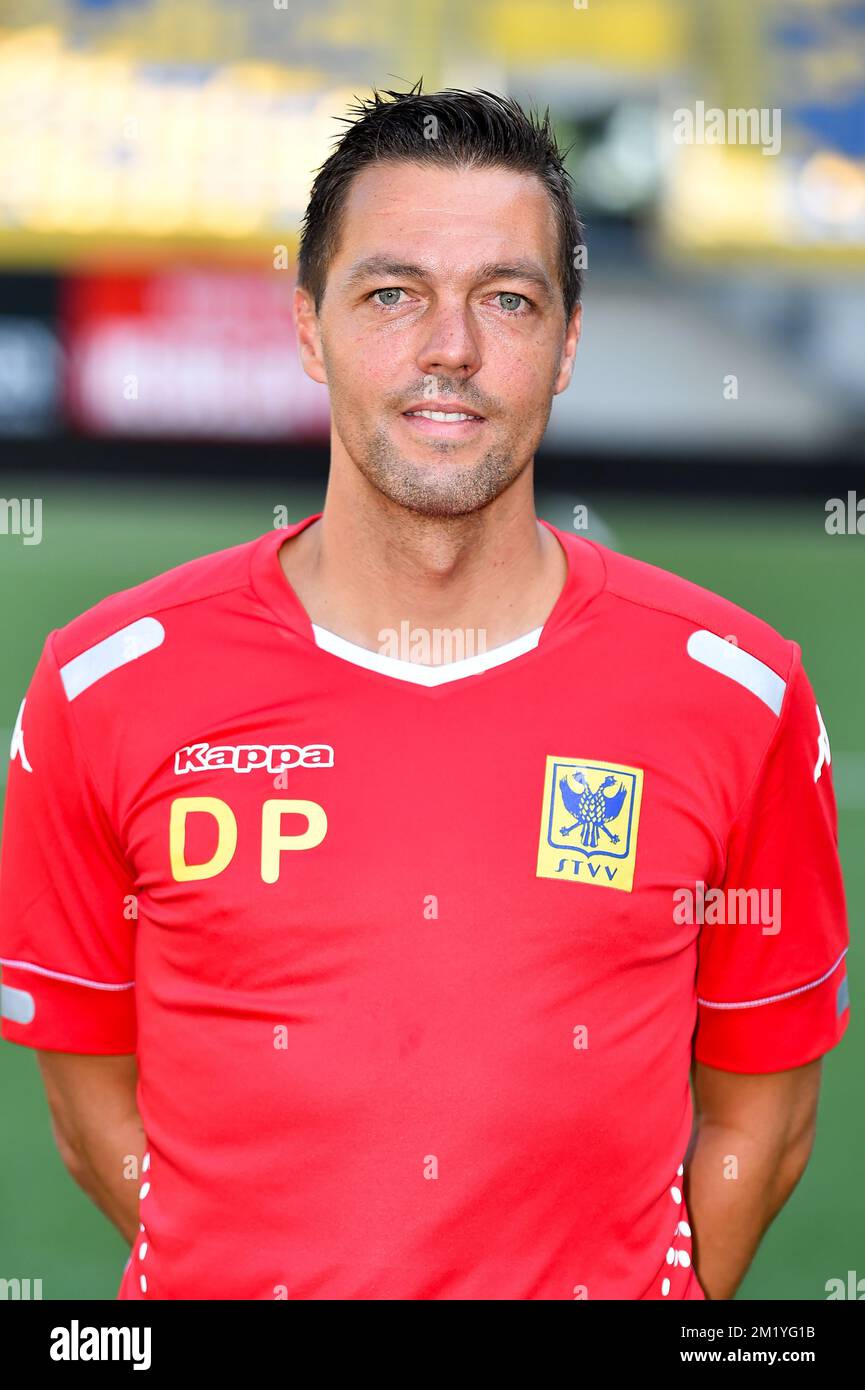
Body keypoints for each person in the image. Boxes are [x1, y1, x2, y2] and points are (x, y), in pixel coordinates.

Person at [0, 83, 850, 1301]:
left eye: (506, 299)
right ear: (310, 327)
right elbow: (90, 1110)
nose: (449, 348)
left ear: (565, 342)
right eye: (392, 294)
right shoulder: (105, 686)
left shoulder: (737, 691)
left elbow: (760, 1124)